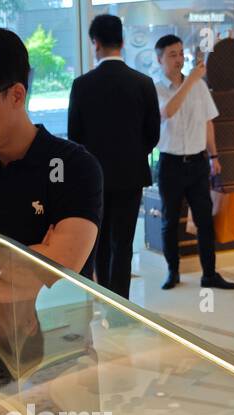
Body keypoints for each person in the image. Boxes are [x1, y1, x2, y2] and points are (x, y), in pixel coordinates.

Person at [0, 22, 103, 385]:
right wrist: (36, 252)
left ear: (16, 95)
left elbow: (61, 266)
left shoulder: (73, 165)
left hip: (66, 347)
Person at [67, 13, 159, 299]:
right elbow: (152, 134)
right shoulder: (143, 83)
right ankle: (121, 306)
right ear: (122, 41)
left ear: (96, 44)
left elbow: (74, 136)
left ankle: (102, 298)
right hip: (131, 176)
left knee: (99, 242)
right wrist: (132, 154)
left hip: (94, 178)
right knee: (124, 243)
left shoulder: (82, 85)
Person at [153, 34, 234, 291]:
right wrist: (190, 80)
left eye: (181, 53)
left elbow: (207, 122)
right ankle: (173, 271)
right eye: (172, 55)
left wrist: (214, 156)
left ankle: (209, 274)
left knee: (204, 220)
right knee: (169, 222)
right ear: (159, 59)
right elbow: (167, 112)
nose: (179, 59)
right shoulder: (155, 88)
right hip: (170, 164)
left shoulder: (199, 86)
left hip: (198, 164)